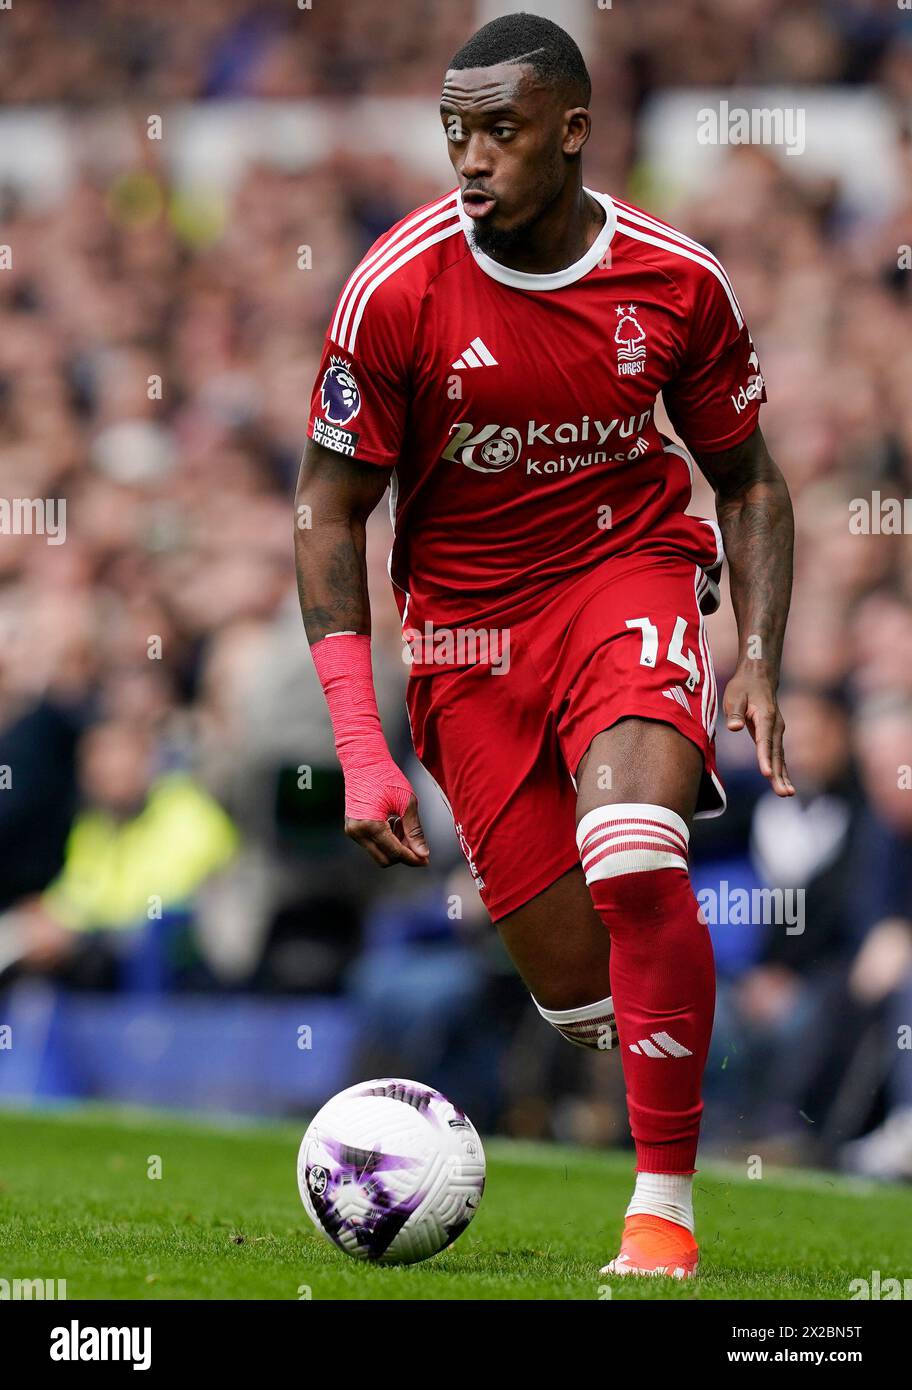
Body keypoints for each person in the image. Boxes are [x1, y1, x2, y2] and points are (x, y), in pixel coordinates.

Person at [294, 12, 794, 1278]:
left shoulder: (675, 281)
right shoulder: (395, 288)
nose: (469, 157)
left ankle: (663, 1214)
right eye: (454, 130)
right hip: (465, 643)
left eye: (500, 131)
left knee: (635, 859)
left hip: (625, 577)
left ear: (573, 131)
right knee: (588, 1005)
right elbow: (327, 507)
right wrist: (362, 743)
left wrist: (764, 659)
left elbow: (750, 479)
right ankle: (644, 1059)